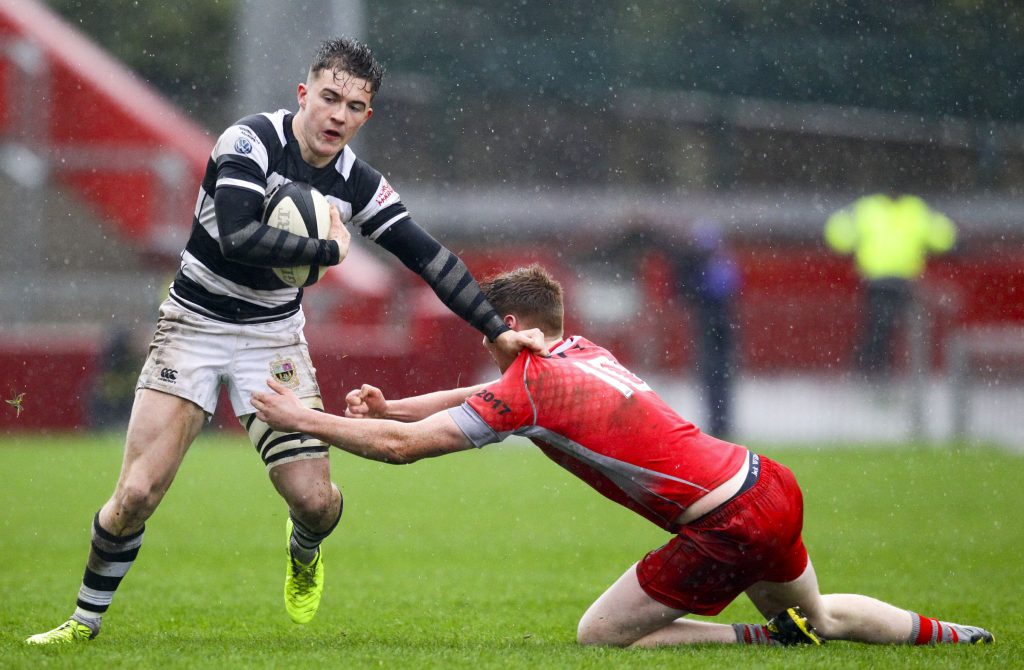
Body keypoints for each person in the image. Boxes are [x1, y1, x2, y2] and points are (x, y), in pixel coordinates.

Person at [26, 37, 542, 645]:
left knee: (317, 503)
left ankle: (303, 550)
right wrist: (327, 250)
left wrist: (494, 330)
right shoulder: (247, 141)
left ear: (366, 116)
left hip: (271, 339)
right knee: (137, 492)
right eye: (328, 98)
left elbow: (430, 259)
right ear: (304, 94)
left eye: (354, 107)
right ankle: (83, 624)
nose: (337, 116)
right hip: (192, 324)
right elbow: (240, 234)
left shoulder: (357, 181)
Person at [251, 263, 994, 649]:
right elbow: (460, 397)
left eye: (486, 326)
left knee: (599, 637)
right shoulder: (578, 350)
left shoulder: (533, 387)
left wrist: (302, 419)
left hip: (727, 522)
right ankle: (955, 637)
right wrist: (392, 405)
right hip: (768, 481)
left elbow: (403, 453)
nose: (483, 339)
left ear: (511, 326)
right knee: (822, 620)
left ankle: (758, 637)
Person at [825, 193, 957, 377]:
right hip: (893, 282)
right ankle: (877, 368)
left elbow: (838, 235)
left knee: (880, 327)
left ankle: (873, 368)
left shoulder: (870, 209)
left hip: (881, 281)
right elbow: (944, 238)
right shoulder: (914, 210)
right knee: (888, 327)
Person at [668, 219, 740, 437]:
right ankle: (718, 423)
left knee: (716, 379)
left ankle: (720, 424)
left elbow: (714, 290)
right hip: (713, 329)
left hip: (716, 330)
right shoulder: (717, 265)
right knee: (714, 379)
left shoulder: (716, 267)